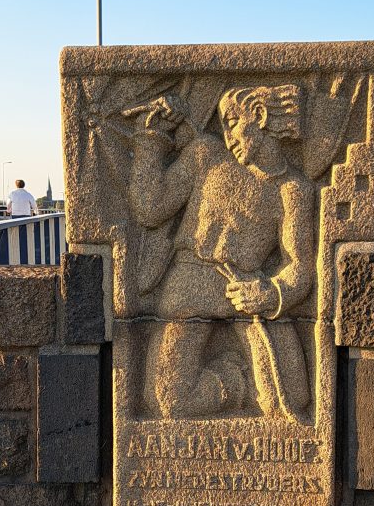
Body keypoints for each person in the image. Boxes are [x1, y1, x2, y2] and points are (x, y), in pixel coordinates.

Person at [124, 85, 314, 421]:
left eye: (232, 123)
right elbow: (150, 208)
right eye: (223, 126)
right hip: (189, 287)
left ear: (259, 116)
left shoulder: (292, 190)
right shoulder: (206, 154)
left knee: (290, 399)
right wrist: (152, 136)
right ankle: (236, 377)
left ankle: (252, 384)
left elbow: (299, 266)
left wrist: (271, 293)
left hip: (246, 293)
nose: (228, 137)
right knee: (167, 401)